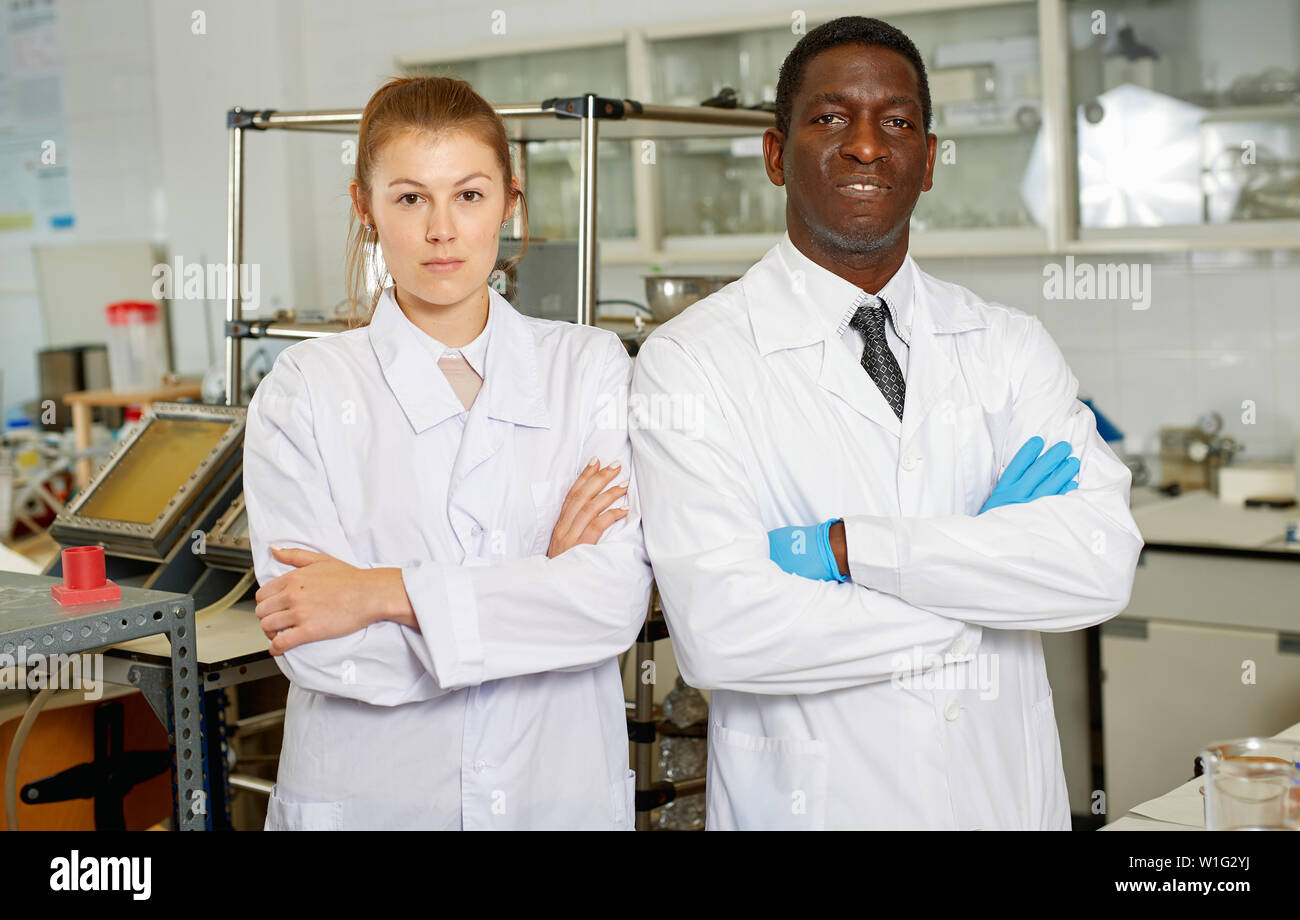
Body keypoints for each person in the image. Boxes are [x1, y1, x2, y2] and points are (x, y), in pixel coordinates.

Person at [629, 17, 1144, 830]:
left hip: (1003, 804)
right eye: (832, 117)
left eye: (897, 122)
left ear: (929, 161)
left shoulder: (1008, 346)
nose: (867, 145)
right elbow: (725, 632)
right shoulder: (690, 363)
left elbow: (1099, 567)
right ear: (775, 155)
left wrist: (847, 551)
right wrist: (983, 585)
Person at [242, 76, 652, 830]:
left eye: (468, 195)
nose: (442, 230)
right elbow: (316, 647)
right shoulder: (304, 389)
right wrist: (538, 587)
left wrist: (381, 592)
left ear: (509, 203)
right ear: (365, 208)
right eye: (410, 198)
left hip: (553, 793)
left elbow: (608, 608)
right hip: (376, 797)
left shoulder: (588, 367)